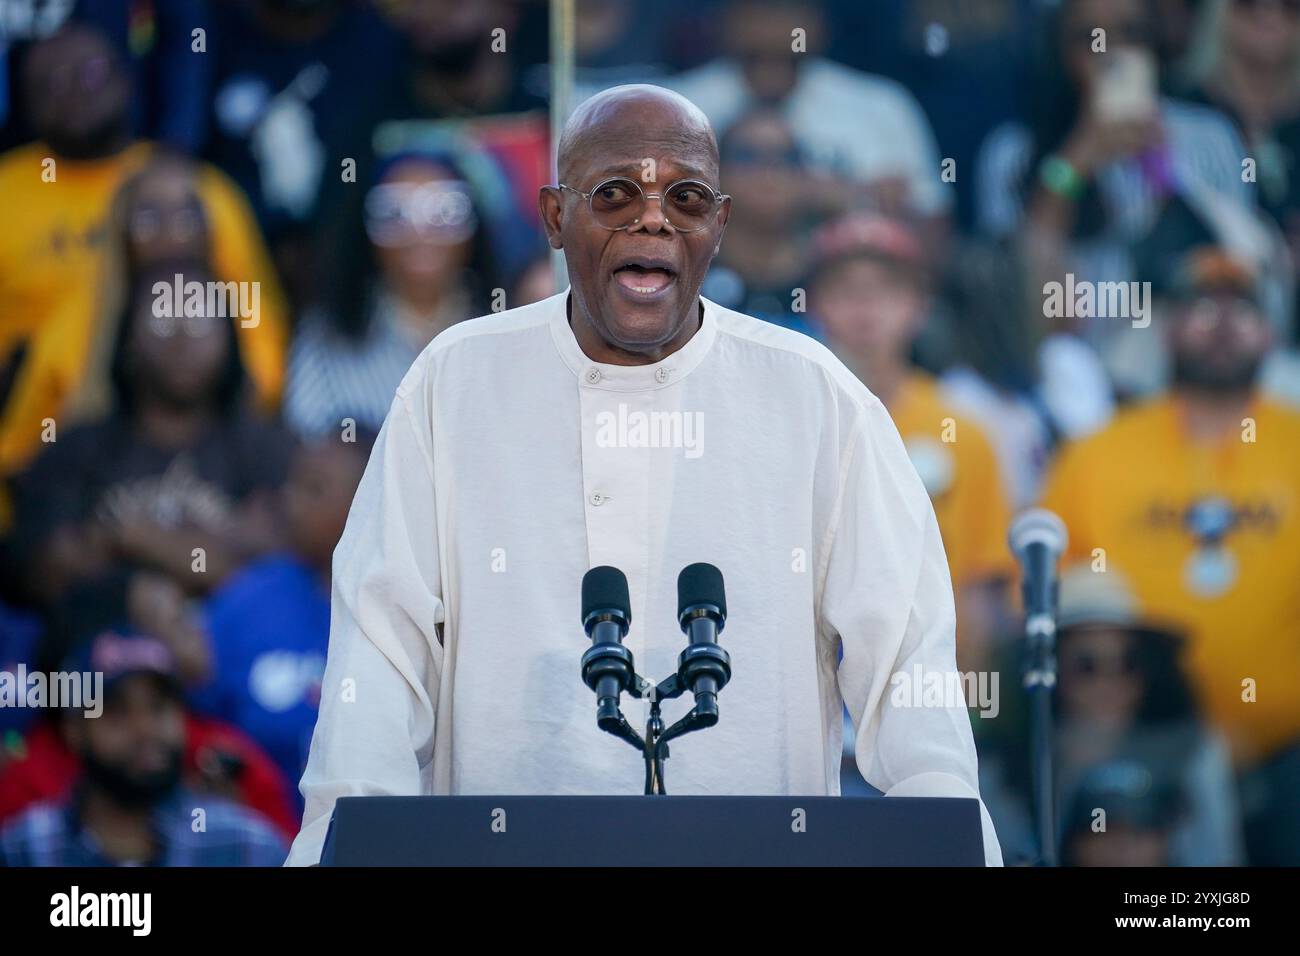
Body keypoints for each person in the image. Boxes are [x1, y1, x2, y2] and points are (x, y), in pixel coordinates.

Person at [286, 85, 1003, 866]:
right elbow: (381, 657)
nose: (653, 218)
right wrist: (340, 843)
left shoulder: (815, 397)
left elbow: (907, 670)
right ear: (557, 217)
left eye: (686, 197)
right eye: (616, 193)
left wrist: (950, 841)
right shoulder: (454, 384)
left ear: (718, 225)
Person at [1041, 246, 1300, 864]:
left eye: (1243, 308)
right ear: (1167, 325)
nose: (1221, 323)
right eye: (1201, 306)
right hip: (1135, 758)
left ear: (1272, 331)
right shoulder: (1098, 452)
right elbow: (1050, 603)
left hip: (1290, 755)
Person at [0, 25, 289, 482]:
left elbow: (261, 336)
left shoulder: (201, 186)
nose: (74, 89)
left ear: (128, 79)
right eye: (51, 81)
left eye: (91, 72)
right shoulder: (78, 310)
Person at [7, 263, 292, 609]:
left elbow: (284, 575)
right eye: (161, 318)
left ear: (230, 337)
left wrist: (130, 538)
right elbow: (43, 574)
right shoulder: (75, 448)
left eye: (201, 318)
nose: (182, 337)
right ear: (127, 339)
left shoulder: (268, 447)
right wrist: (210, 548)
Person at [808, 213, 1015, 674]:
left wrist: (966, 708)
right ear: (815, 305)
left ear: (918, 306)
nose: (866, 308)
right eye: (846, 290)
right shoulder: (791, 420)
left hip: (925, 680)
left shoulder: (963, 432)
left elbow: (981, 585)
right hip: (813, 683)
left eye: (886, 290)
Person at [189, 430, 375, 800]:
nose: (290, 502)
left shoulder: (408, 604)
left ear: (371, 502)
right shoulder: (248, 597)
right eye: (292, 484)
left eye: (314, 489)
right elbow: (197, 716)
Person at [0, 629, 288, 866]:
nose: (145, 729)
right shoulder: (26, 851)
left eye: (158, 707)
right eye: (117, 711)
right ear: (74, 730)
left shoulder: (244, 848)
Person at [283, 150, 498, 438]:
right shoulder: (324, 336)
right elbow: (308, 442)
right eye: (394, 213)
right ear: (364, 230)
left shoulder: (504, 324)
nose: (419, 232)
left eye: (445, 211)